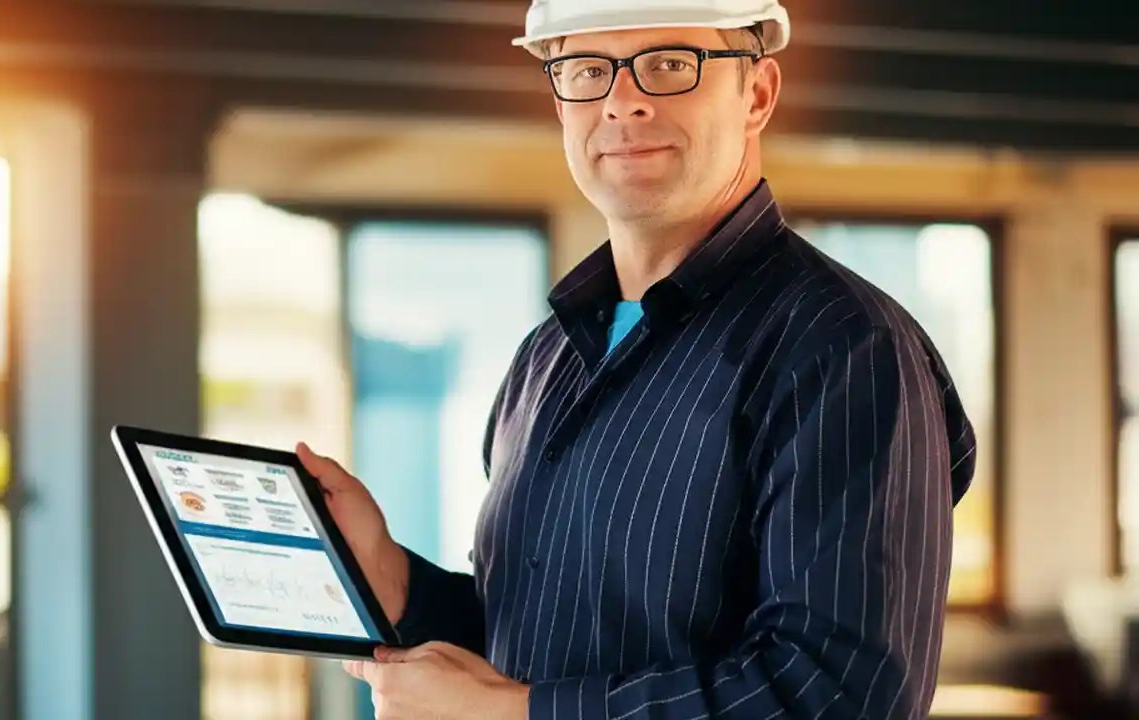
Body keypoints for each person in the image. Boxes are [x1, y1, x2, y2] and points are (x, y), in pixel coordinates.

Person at [297, 1, 976, 717]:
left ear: (757, 94)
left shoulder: (843, 347)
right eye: (588, 70)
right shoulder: (544, 361)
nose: (623, 102)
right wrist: (391, 579)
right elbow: (537, 648)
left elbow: (837, 693)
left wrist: (514, 714)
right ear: (560, 102)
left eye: (670, 64)